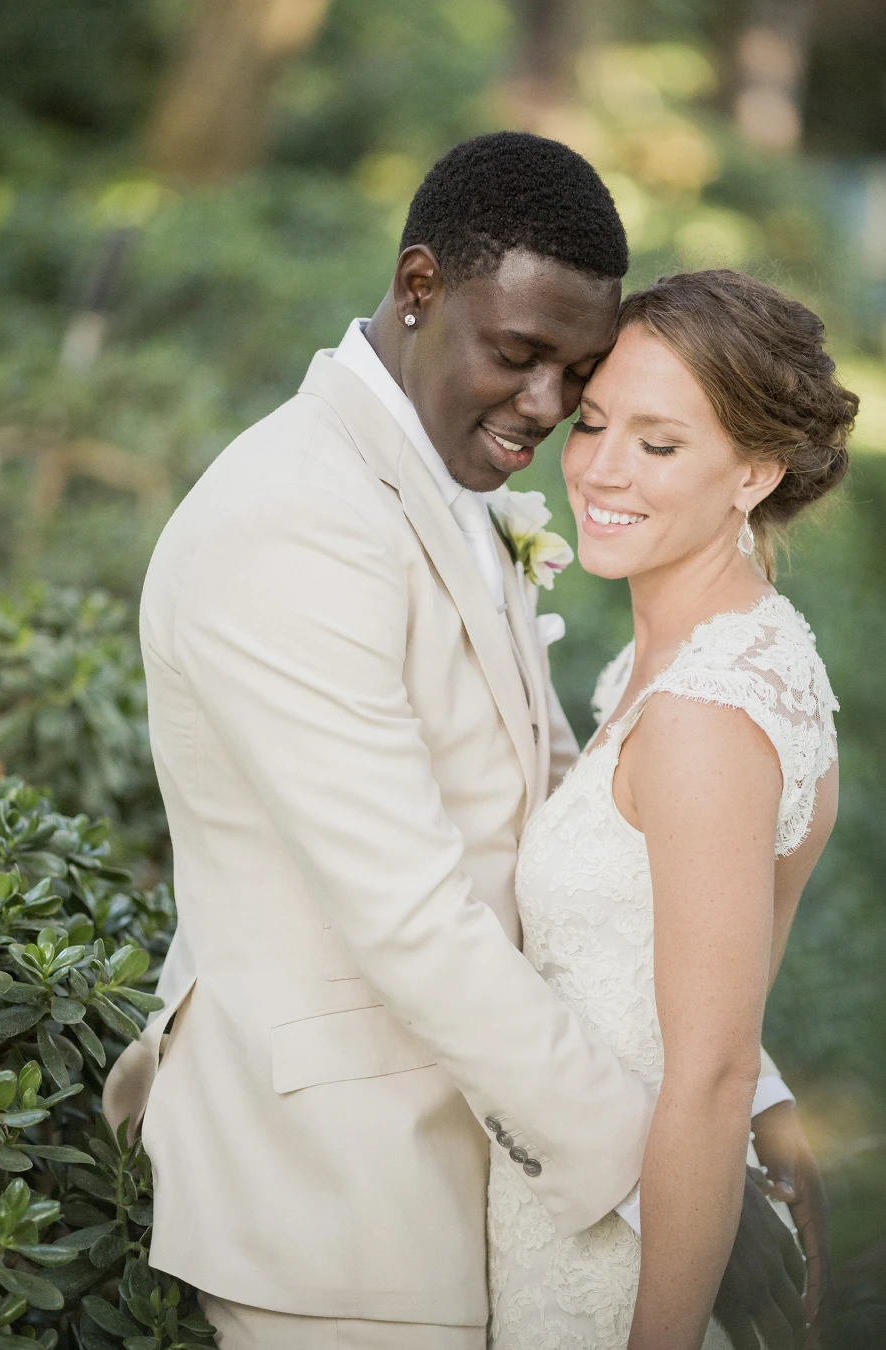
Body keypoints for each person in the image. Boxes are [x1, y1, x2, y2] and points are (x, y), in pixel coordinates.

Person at [105, 134, 812, 1350]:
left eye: (574, 374)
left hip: (487, 1170)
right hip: (343, 1201)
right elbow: (411, 917)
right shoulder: (291, 521)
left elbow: (554, 826)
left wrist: (739, 1087)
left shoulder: (439, 474)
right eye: (519, 356)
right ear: (420, 287)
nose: (547, 412)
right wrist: (668, 1181)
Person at [487, 269, 857, 1350]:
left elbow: (707, 1072)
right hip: (576, 1195)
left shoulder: (706, 712)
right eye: (593, 422)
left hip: (623, 1256)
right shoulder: (704, 656)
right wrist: (774, 1105)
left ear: (753, 472)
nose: (599, 467)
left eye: (658, 445)